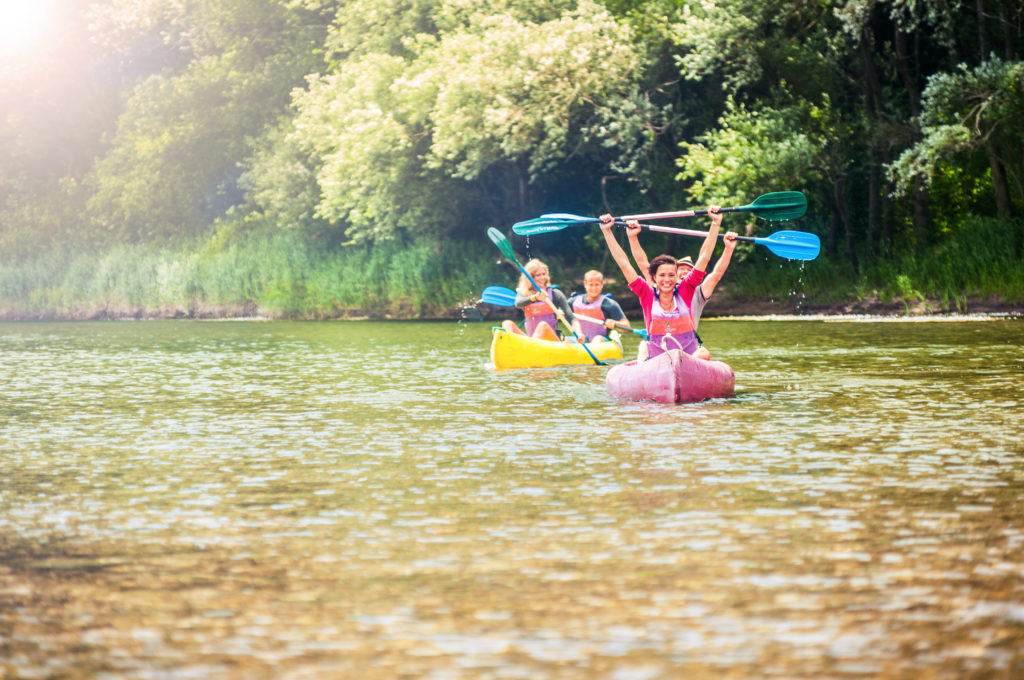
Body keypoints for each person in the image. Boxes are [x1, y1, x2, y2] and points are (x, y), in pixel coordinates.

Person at [599, 206, 726, 360]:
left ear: (676, 276)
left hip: (688, 358)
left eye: (671, 275)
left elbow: (704, 258)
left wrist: (715, 223)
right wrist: (607, 231)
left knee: (703, 354)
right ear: (654, 277)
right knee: (643, 347)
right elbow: (624, 263)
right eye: (662, 275)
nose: (667, 279)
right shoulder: (647, 294)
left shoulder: (686, 290)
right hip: (656, 359)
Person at [629, 225, 738, 360]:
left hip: (687, 348)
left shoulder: (698, 293)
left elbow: (713, 270)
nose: (686, 272)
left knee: (703, 353)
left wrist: (728, 248)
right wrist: (633, 237)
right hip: (659, 348)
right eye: (682, 269)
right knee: (643, 346)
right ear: (674, 273)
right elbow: (642, 263)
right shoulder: (658, 288)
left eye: (689, 269)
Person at [500, 258, 583, 342]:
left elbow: (571, 317)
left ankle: (530, 347)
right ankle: (510, 346)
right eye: (538, 275)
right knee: (507, 324)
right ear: (530, 278)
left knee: (542, 326)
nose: (542, 277)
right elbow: (518, 303)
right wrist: (535, 298)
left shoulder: (555, 294)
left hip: (552, 341)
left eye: (544, 274)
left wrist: (579, 333)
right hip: (532, 339)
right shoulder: (524, 294)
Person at [569, 270, 632, 342]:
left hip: (601, 341)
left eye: (597, 284)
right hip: (579, 340)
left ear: (602, 284)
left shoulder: (610, 304)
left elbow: (627, 326)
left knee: (597, 339)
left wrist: (615, 323)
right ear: (585, 284)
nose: (594, 288)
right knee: (564, 339)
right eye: (591, 284)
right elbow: (556, 312)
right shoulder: (573, 302)